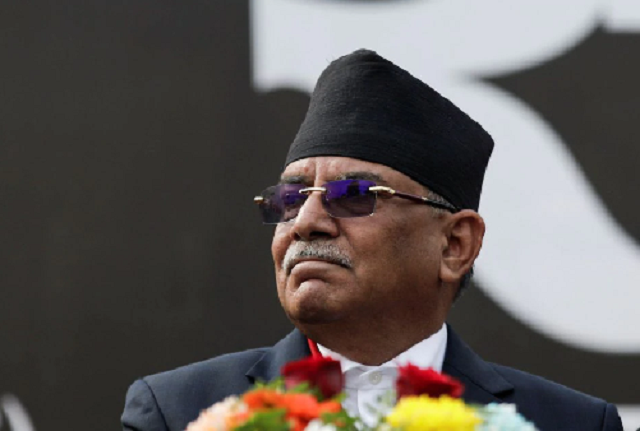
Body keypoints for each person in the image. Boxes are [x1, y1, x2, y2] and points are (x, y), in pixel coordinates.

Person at [121, 49, 623, 431]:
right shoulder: (183, 413)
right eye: (291, 198)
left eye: (354, 194)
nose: (306, 221)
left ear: (455, 245)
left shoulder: (563, 423)